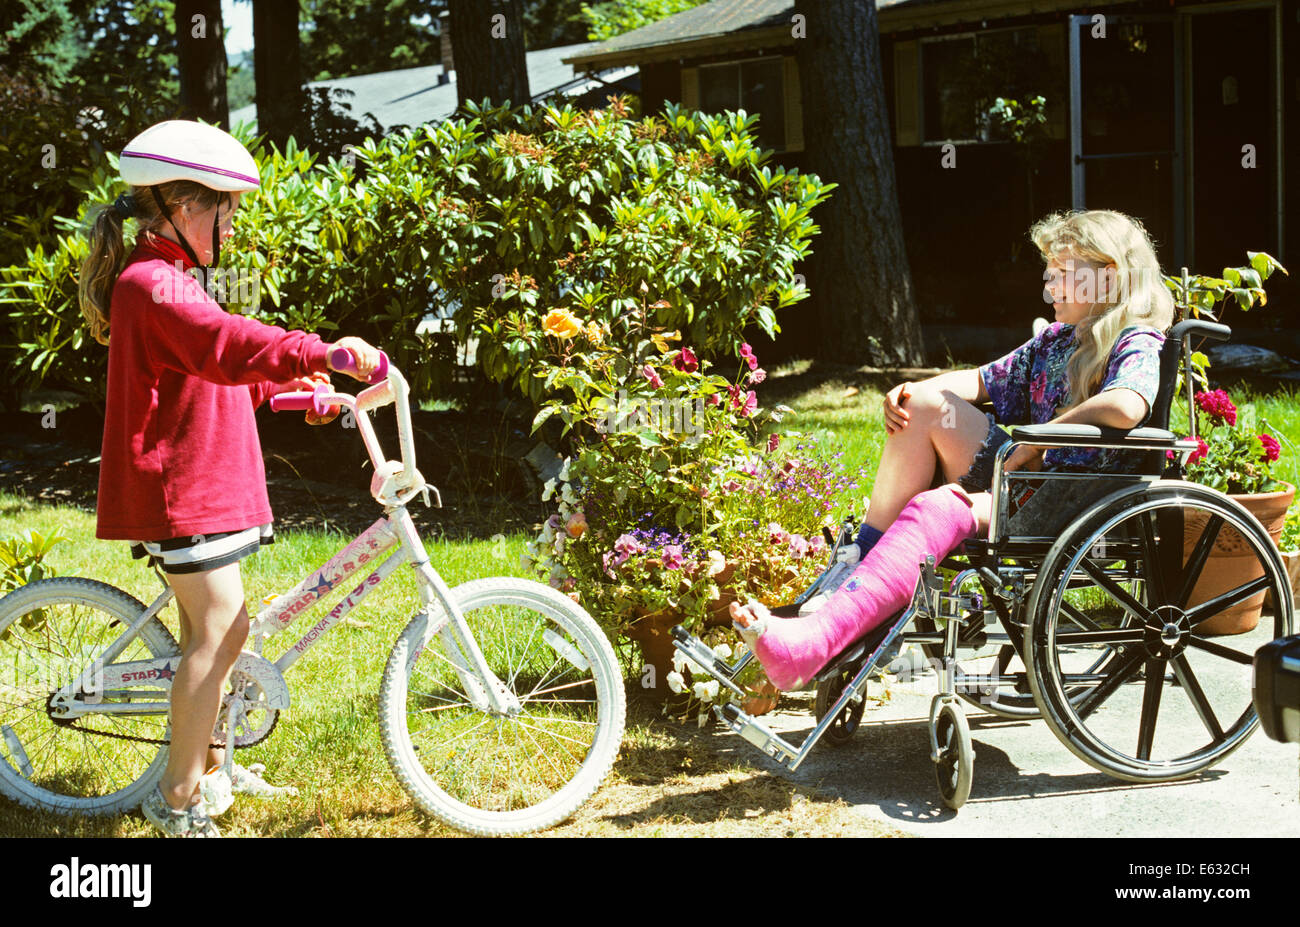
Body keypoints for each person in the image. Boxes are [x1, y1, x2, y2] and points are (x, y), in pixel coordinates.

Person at [80, 120, 383, 837]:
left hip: (200, 486)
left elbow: (212, 379)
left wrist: (295, 390)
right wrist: (322, 350)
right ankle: (178, 797)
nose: (232, 222)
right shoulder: (153, 285)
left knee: (215, 634)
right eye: (227, 207)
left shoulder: (174, 279)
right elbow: (225, 345)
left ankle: (211, 765)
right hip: (181, 493)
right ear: (186, 205)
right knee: (220, 633)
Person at [730, 209, 1175, 692]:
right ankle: (858, 570)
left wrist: (1040, 438)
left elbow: (1128, 404)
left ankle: (822, 635)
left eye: (1063, 274)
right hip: (1024, 483)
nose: (1050, 287)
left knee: (936, 506)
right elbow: (981, 380)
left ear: (1108, 275)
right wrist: (907, 389)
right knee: (924, 404)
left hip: (1070, 501)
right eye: (1050, 273)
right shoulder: (1055, 340)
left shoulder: (1136, 339)